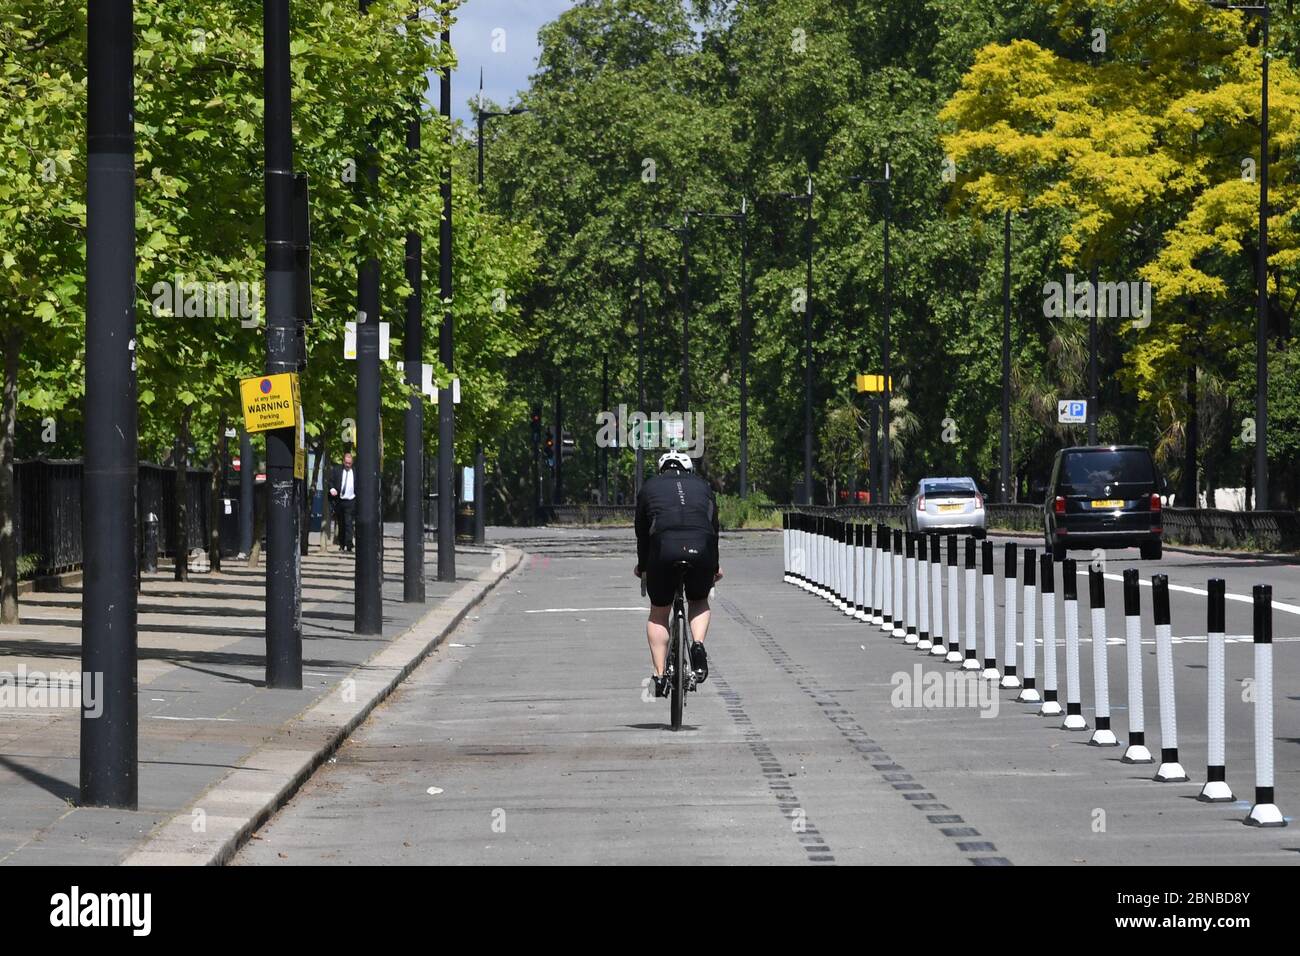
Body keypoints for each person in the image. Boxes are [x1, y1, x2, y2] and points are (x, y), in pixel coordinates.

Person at [633, 450, 721, 699]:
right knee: (699, 599)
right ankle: (698, 645)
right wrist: (714, 567)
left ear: (662, 470)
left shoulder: (649, 487)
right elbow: (714, 530)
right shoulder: (704, 487)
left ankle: (660, 676)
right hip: (701, 548)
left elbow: (642, 533)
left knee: (659, 611)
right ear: (689, 469)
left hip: (663, 549)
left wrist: (644, 566)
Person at [329, 452, 357, 552]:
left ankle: (349, 545)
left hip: (351, 500)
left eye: (349, 463)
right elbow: (331, 481)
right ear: (343, 461)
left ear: (352, 462)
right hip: (340, 500)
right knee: (341, 523)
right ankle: (342, 544)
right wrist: (332, 488)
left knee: (348, 523)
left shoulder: (355, 471)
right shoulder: (337, 470)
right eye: (346, 463)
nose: (347, 465)